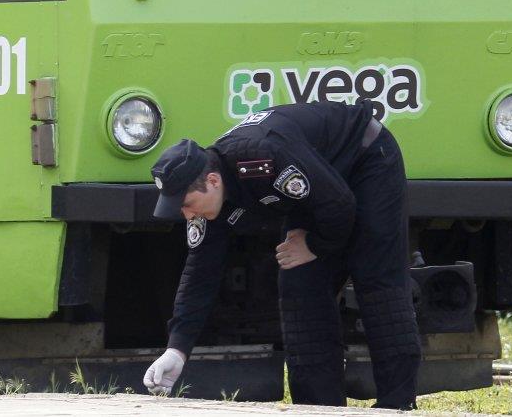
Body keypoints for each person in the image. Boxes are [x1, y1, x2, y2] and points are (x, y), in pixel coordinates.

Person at [142, 101, 420, 409]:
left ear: (213, 181)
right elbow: (199, 273)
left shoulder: (262, 157)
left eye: (186, 204)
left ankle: (397, 405)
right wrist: (177, 349)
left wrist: (313, 245)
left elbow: (339, 206)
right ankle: (318, 409)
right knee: (299, 286)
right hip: (318, 186)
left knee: (377, 278)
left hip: (365, 159)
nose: (186, 215)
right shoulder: (208, 197)